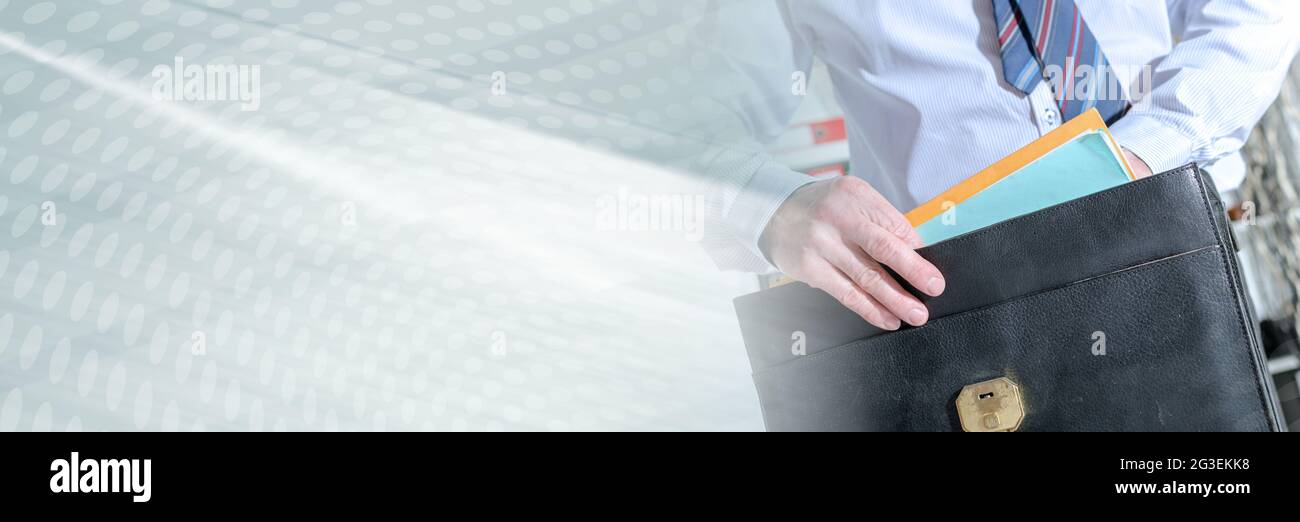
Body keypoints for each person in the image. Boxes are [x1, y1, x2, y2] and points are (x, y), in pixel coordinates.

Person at [704, 0, 1299, 331]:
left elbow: (1257, 10)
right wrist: (771, 206)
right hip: (955, 304)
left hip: (1182, 246)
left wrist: (1149, 150)